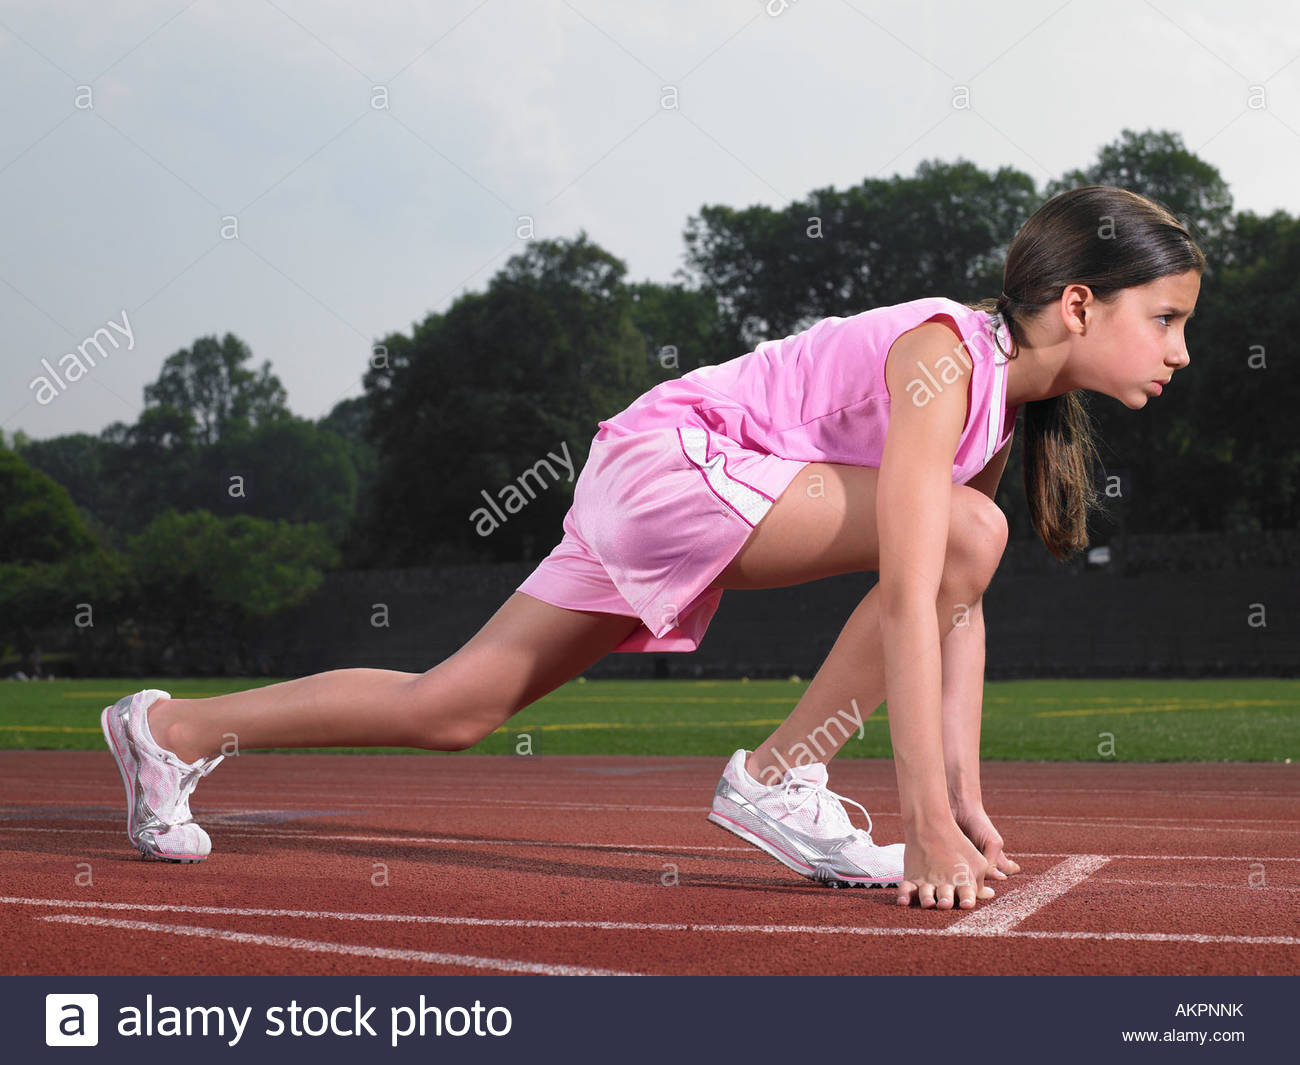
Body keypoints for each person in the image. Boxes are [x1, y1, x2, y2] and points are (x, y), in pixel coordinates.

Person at [102, 184, 1204, 911]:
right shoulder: (941, 358)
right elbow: (915, 592)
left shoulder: (993, 413)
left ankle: (170, 727)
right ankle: (778, 776)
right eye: (1163, 318)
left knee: (454, 706)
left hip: (653, 478)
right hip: (676, 466)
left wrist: (962, 800)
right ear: (1075, 304)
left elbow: (956, 610)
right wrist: (918, 830)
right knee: (966, 531)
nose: (1182, 350)